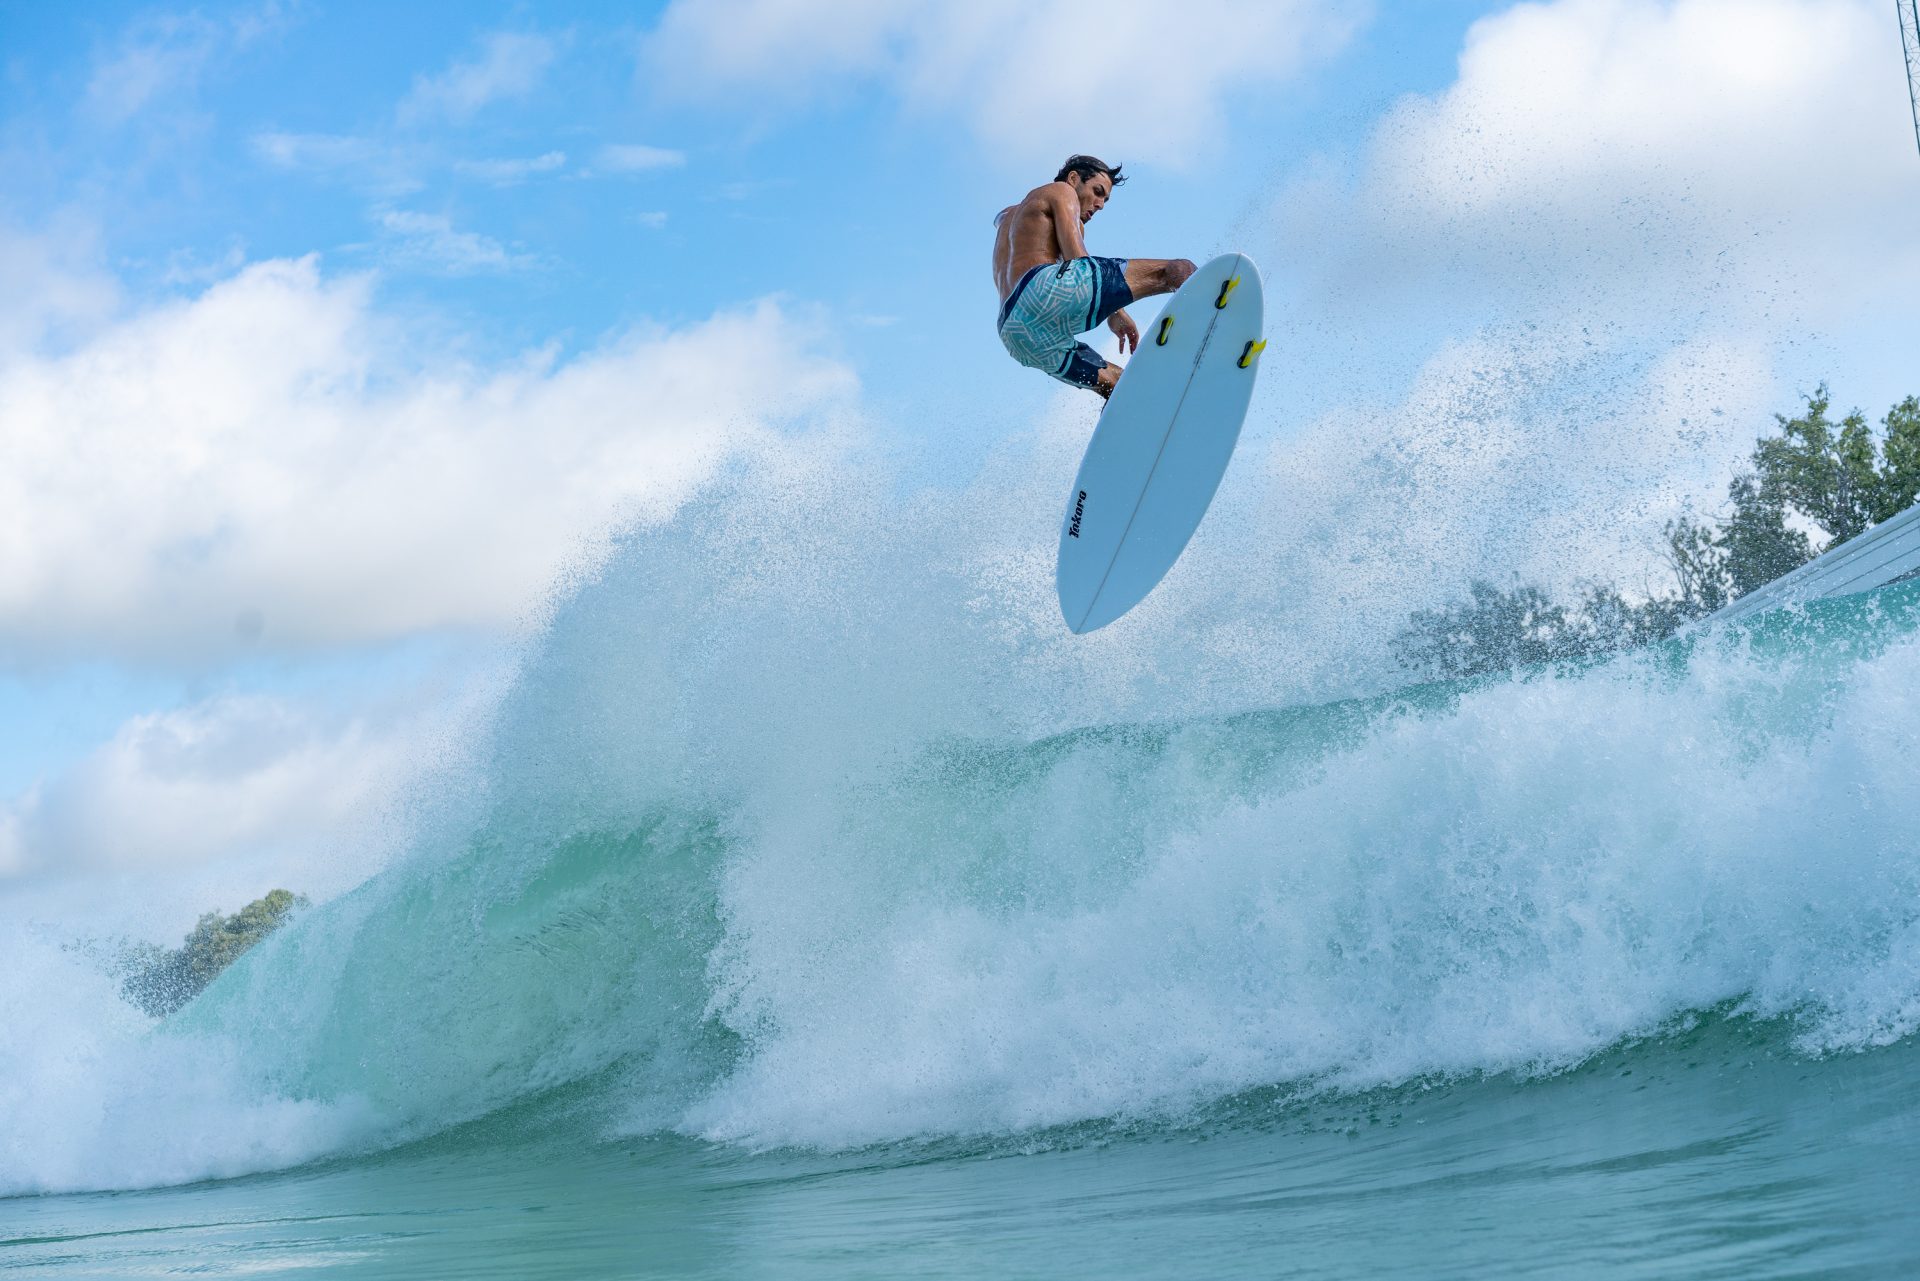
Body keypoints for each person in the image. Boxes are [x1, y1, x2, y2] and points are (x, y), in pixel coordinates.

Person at [992, 155, 1196, 400]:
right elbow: (1077, 259)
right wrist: (1116, 312)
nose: (1100, 204)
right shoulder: (1062, 191)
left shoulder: (1012, 217)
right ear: (1074, 178)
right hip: (1041, 290)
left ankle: (1135, 427)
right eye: (1097, 192)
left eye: (1105, 200)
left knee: (1116, 385)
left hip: (1014, 332)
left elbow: (1000, 217)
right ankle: (1202, 328)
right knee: (1176, 269)